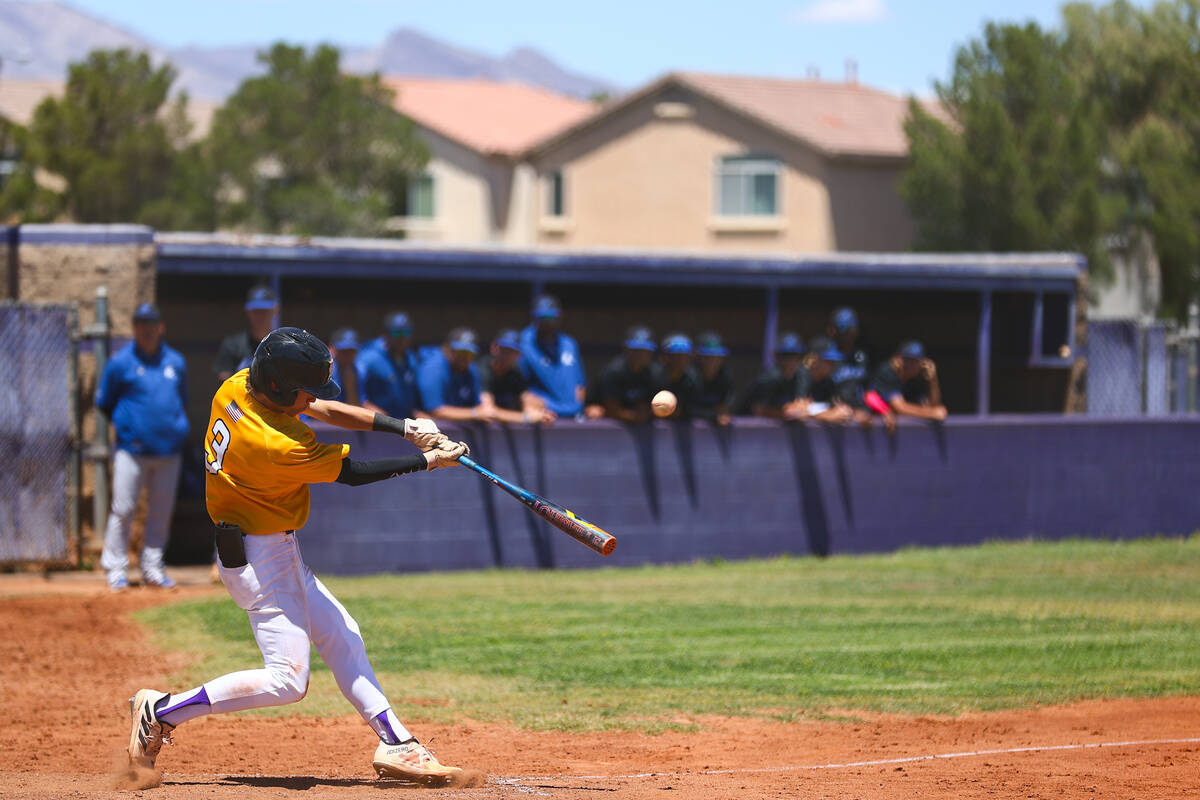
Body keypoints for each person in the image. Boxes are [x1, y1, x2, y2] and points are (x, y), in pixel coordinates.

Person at [125, 327, 473, 785]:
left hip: (271, 547)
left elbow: (317, 405)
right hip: (259, 559)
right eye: (303, 389)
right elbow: (352, 473)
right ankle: (162, 711)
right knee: (288, 681)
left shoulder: (238, 384)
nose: (311, 398)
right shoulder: (275, 445)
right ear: (278, 387)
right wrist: (428, 461)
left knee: (342, 634)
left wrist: (404, 428)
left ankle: (397, 743)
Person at [96, 303, 189, 592]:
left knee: (160, 512)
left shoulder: (175, 361)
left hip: (169, 452)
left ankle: (152, 568)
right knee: (123, 508)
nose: (146, 329)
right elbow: (104, 402)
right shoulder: (120, 362)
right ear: (134, 327)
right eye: (141, 323)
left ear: (160, 327)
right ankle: (116, 567)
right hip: (131, 451)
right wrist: (130, 428)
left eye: (151, 323)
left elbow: (180, 399)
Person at [519, 295, 585, 417]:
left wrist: (579, 406)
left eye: (550, 317)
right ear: (533, 318)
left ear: (560, 316)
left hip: (574, 416)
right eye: (542, 317)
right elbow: (518, 388)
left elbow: (580, 384)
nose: (547, 322)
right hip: (545, 417)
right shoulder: (524, 343)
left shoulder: (569, 344)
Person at [478, 329, 556, 424]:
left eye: (512, 352)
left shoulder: (515, 372)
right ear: (494, 348)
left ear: (519, 355)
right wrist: (526, 418)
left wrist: (541, 413)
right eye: (504, 350)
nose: (507, 355)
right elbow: (487, 412)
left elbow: (527, 401)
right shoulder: (482, 370)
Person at [865, 340, 948, 428]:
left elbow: (933, 406)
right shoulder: (886, 372)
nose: (909, 365)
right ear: (897, 359)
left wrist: (933, 380)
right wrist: (931, 413)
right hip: (871, 426)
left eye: (914, 361)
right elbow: (900, 407)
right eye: (906, 360)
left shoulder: (915, 378)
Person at [587, 325, 661, 422]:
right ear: (626, 350)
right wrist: (637, 417)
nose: (639, 355)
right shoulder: (613, 372)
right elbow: (612, 411)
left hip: (639, 424)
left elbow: (647, 406)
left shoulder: (653, 373)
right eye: (635, 350)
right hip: (608, 424)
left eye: (644, 351)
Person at [358, 311, 421, 419]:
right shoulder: (368, 358)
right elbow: (358, 399)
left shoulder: (410, 359)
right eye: (396, 333)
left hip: (401, 425)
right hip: (374, 425)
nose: (401, 339)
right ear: (385, 334)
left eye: (406, 333)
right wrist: (386, 421)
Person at [417, 327, 487, 421]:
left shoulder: (471, 370)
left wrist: (482, 411)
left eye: (470, 353)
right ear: (447, 349)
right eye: (460, 352)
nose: (464, 357)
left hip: (454, 430)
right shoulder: (433, 368)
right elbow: (436, 411)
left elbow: (479, 406)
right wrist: (474, 413)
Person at [214, 285, 278, 383]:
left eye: (264, 311)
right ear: (248, 311)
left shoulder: (282, 344)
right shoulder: (232, 345)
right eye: (255, 311)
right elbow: (225, 383)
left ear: (275, 310)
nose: (260, 316)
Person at [741, 332, 809, 420]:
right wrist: (785, 413)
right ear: (777, 356)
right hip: (749, 427)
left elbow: (802, 403)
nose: (789, 361)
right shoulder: (769, 379)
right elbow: (758, 409)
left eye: (794, 355)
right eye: (785, 356)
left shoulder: (802, 377)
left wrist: (798, 409)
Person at [828, 307, 873, 427]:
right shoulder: (826, 357)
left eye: (851, 331)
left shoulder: (860, 356)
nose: (849, 336)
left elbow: (868, 391)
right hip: (833, 419)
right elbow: (822, 393)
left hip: (859, 417)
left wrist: (883, 410)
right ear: (833, 331)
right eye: (845, 331)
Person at [802, 337, 854, 424]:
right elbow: (793, 411)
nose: (833, 365)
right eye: (828, 361)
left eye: (833, 362)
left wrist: (846, 412)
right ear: (813, 360)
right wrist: (826, 416)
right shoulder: (802, 377)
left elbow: (837, 406)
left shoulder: (828, 382)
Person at [691, 330, 735, 426]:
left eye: (717, 357)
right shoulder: (690, 377)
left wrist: (722, 414)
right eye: (707, 357)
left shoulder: (725, 378)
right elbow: (686, 410)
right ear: (697, 357)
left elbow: (724, 407)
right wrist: (713, 416)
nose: (713, 362)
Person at [656, 333, 701, 420]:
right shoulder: (655, 378)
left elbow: (695, 409)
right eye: (675, 356)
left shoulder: (693, 381)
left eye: (683, 356)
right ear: (664, 357)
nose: (679, 360)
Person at [329, 328, 364, 406]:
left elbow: (357, 406)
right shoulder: (326, 372)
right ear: (332, 350)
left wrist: (350, 388)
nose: (347, 355)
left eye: (351, 351)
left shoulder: (359, 370)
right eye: (343, 351)